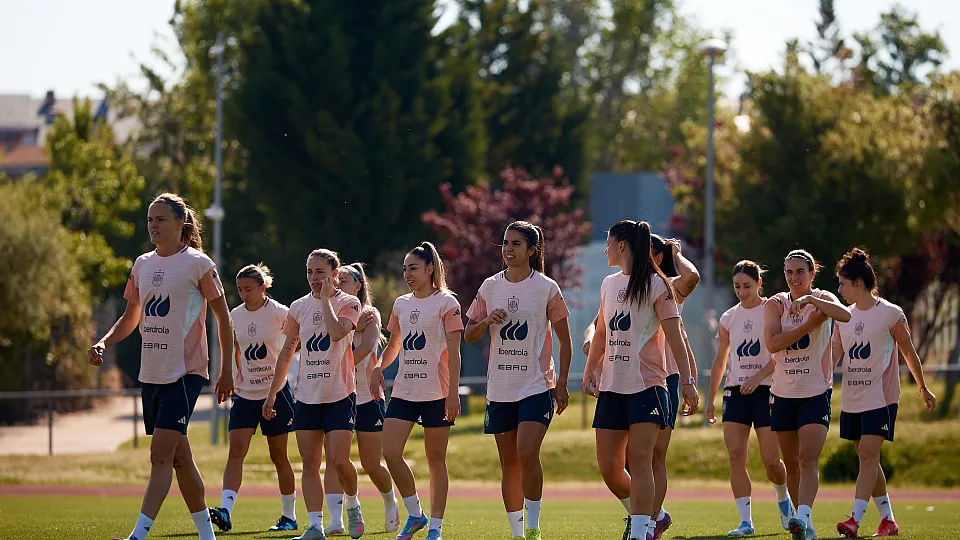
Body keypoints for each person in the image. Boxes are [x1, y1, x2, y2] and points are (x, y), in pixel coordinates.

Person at [89, 193, 233, 540]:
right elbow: (130, 317)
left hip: (185, 374)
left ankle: (137, 536)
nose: (153, 225)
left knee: (159, 457)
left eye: (160, 219)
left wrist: (227, 371)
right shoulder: (141, 264)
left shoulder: (199, 264)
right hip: (151, 373)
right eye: (150, 219)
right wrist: (104, 341)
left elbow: (223, 319)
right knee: (180, 459)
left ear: (180, 223)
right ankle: (207, 536)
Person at [582, 220, 699, 540]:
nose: (605, 249)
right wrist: (591, 368)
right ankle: (654, 516)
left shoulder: (658, 285)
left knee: (641, 460)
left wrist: (688, 381)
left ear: (622, 246)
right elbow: (602, 332)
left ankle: (641, 530)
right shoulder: (608, 284)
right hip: (611, 386)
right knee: (608, 466)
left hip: (648, 387)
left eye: (608, 243)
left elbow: (675, 336)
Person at [463, 221, 574, 540]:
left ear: (531, 250)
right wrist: (485, 320)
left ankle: (534, 526)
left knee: (527, 452)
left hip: (537, 386)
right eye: (505, 243)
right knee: (509, 462)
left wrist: (562, 382)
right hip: (500, 389)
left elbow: (564, 341)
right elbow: (468, 336)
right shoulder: (489, 286)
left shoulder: (547, 288)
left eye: (515, 244)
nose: (508, 249)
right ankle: (516, 532)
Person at [832, 248, 937, 538]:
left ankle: (854, 519)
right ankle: (888, 520)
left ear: (858, 283)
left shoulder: (891, 314)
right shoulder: (843, 317)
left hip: (881, 398)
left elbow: (909, 352)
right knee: (868, 458)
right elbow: (833, 356)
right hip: (852, 399)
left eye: (842, 283)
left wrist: (923, 388)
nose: (839, 290)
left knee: (867, 453)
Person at [263, 249, 364, 540]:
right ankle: (315, 526)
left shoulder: (349, 303)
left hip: (340, 394)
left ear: (335, 273)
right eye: (309, 272)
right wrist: (272, 395)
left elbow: (335, 333)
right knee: (309, 461)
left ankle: (353, 504)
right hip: (306, 396)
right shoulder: (297, 307)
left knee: (340, 461)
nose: (314, 278)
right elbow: (286, 352)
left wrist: (325, 301)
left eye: (320, 272)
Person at [370, 242, 463, 540]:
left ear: (429, 269)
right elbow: (395, 344)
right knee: (391, 451)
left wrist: (453, 394)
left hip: (437, 392)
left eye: (413, 268)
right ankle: (415, 514)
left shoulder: (447, 303)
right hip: (404, 391)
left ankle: (435, 527)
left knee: (436, 460)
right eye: (405, 269)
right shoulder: (401, 303)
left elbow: (454, 350)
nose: (407, 273)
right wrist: (378, 368)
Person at [764, 249, 851, 540]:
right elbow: (773, 344)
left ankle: (802, 517)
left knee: (808, 458)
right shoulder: (775, 304)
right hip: (783, 393)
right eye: (789, 271)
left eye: (800, 271)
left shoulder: (823, 299)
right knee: (791, 462)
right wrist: (808, 325)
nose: (794, 277)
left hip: (816, 390)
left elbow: (846, 315)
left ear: (812, 273)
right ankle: (806, 526)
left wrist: (815, 303)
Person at [705, 260, 795, 536]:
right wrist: (710, 400)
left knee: (771, 461)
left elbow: (780, 353)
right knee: (735, 456)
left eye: (747, 286)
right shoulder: (729, 317)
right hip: (735, 393)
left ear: (758, 284)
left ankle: (784, 499)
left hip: (767, 391)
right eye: (737, 287)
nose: (742, 292)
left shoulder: (773, 309)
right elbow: (720, 361)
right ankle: (746, 522)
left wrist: (757, 378)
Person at [208, 264, 298, 533]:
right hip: (245, 395)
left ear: (263, 287)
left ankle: (289, 516)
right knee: (236, 451)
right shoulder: (235, 315)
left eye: (249, 289)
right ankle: (225, 510)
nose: (244, 294)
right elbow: (238, 350)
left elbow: (297, 343)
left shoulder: (281, 312)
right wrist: (234, 377)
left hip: (277, 392)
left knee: (278, 456)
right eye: (240, 290)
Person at [324, 263, 401, 535]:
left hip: (366, 396)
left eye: (344, 279)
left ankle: (390, 502)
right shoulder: (327, 310)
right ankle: (336, 519)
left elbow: (368, 345)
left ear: (358, 286)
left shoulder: (369, 313)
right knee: (334, 459)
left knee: (370, 463)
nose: (338, 283)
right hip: (335, 396)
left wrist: (334, 367)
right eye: (336, 279)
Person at [645, 235, 700, 540]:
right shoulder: (621, 284)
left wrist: (675, 253)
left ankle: (651, 522)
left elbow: (692, 276)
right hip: (634, 377)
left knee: (655, 455)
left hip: (666, 377)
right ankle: (658, 514)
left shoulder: (668, 287)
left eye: (648, 251)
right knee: (633, 457)